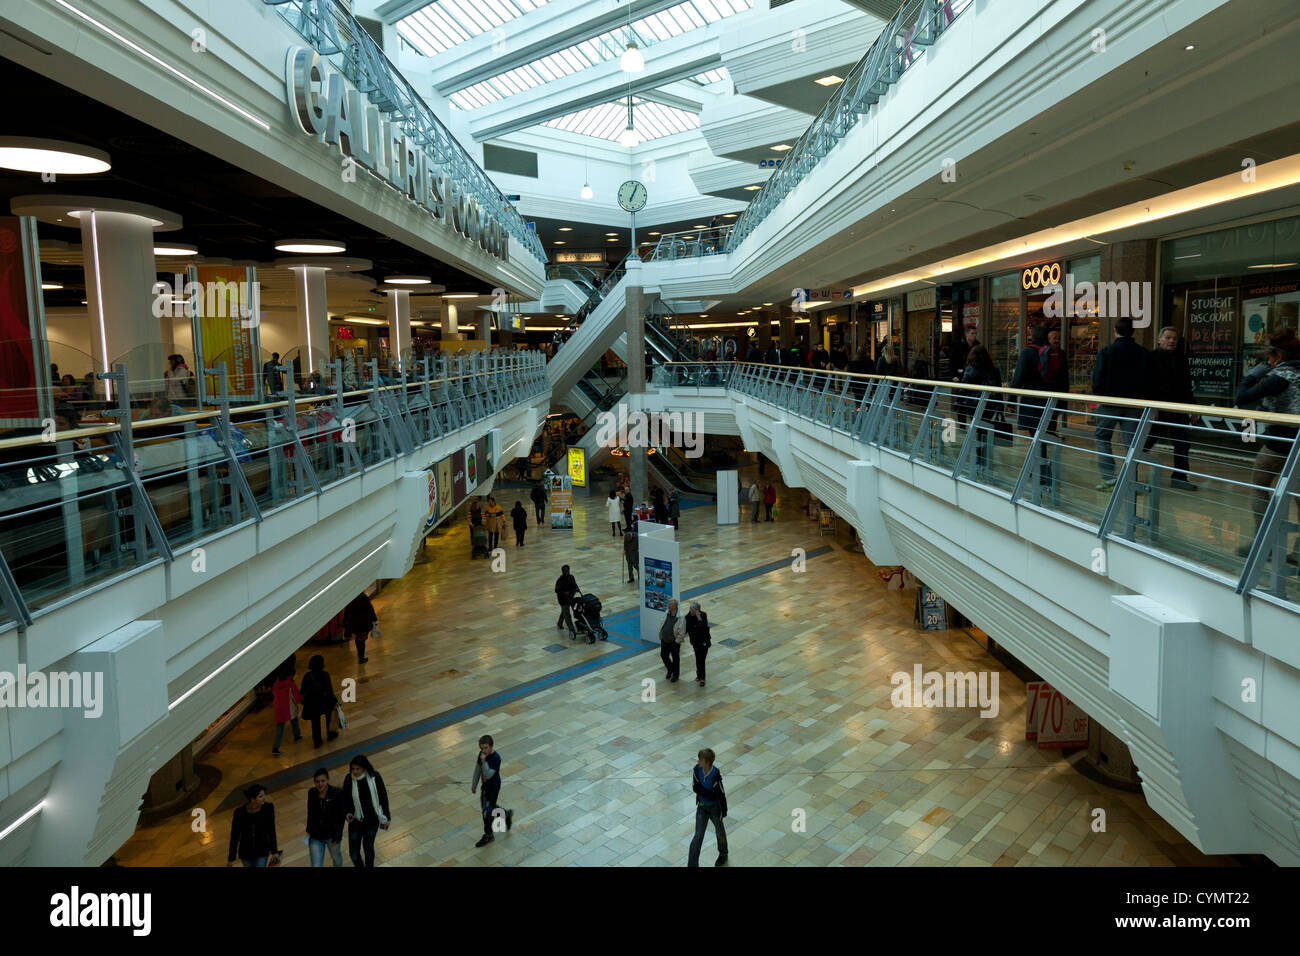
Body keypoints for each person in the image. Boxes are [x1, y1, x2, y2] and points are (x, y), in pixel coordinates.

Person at [1234, 327, 1300, 557]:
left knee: (1259, 486)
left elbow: (1241, 398)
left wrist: (1252, 376)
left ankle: (1265, 544)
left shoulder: (1281, 377)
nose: (1268, 362)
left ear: (1279, 356)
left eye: (1269, 357)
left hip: (1281, 441)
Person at [1091, 317, 1149, 490]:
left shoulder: (1107, 351)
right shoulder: (1143, 353)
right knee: (1131, 443)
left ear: (1115, 330)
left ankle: (1109, 476)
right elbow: (1148, 380)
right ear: (1133, 331)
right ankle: (1131, 481)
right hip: (1134, 405)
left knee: (1102, 436)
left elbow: (1098, 379)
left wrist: (1099, 396)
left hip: (1109, 402)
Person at [1142, 326, 1198, 491]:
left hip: (1178, 409)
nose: (1172, 340)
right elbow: (1146, 385)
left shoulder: (1181, 359)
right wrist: (1152, 406)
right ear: (1159, 339)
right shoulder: (1151, 358)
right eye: (1168, 337)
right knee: (1146, 442)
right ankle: (1129, 472)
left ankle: (1180, 477)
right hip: (1158, 410)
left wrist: (1193, 408)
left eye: (1174, 338)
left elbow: (1186, 387)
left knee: (1182, 443)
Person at [959, 345, 1002, 472]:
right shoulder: (993, 370)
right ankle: (985, 457)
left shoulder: (970, 369)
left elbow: (964, 388)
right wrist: (1000, 405)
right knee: (986, 429)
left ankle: (979, 458)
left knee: (977, 430)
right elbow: (998, 389)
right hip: (989, 405)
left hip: (973, 405)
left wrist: (960, 402)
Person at [342, 754, 390, 867]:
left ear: (364, 767)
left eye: (357, 769)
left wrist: (387, 816)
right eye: (353, 769)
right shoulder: (349, 779)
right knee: (353, 853)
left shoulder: (375, 776)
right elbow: (345, 799)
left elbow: (383, 797)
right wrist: (347, 813)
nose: (354, 771)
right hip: (355, 821)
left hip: (372, 821)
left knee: (368, 850)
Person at [471, 734, 514, 848]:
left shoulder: (496, 758)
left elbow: (488, 774)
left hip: (493, 787)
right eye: (481, 748)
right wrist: (474, 784)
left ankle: (489, 835)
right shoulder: (481, 755)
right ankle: (506, 814)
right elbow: (478, 769)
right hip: (485, 787)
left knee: (487, 812)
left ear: (491, 746)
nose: (483, 750)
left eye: (485, 748)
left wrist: (484, 761)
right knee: (489, 808)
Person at [687, 748, 728, 867]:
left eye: (700, 759)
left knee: (720, 832)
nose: (698, 761)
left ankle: (723, 854)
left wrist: (723, 811)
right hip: (702, 807)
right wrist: (708, 794)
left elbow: (720, 793)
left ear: (707, 762)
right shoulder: (696, 770)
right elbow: (695, 787)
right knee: (698, 836)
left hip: (715, 809)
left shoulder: (715, 774)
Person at [228, 784, 279, 867]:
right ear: (252, 799)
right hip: (245, 853)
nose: (264, 798)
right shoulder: (239, 813)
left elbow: (271, 830)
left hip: (262, 851)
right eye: (260, 796)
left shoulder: (268, 808)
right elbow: (235, 836)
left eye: (264, 795)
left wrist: (274, 851)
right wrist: (231, 859)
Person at [306, 768, 346, 867]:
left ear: (328, 780)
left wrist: (337, 837)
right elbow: (310, 813)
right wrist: (309, 830)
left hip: (332, 836)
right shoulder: (312, 793)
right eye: (317, 781)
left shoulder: (336, 793)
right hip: (316, 836)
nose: (320, 784)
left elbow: (341, 817)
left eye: (323, 781)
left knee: (336, 860)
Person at [300, 654, 339, 748]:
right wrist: (334, 700)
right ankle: (330, 735)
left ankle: (317, 741)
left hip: (313, 703)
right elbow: (329, 690)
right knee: (329, 718)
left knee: (315, 723)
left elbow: (302, 691)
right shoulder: (325, 674)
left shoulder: (307, 676)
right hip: (325, 702)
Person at [270, 659, 303, 756]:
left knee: (280, 727)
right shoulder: (290, 685)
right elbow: (296, 698)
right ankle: (297, 736)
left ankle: (276, 747)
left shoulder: (276, 685)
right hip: (289, 708)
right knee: (294, 721)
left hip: (278, 709)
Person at [343, 591, 378, 664]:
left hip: (355, 623)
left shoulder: (350, 597)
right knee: (362, 639)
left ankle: (361, 656)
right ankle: (361, 657)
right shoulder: (363, 597)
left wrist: (345, 624)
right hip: (364, 622)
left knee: (359, 639)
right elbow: (370, 609)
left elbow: (347, 611)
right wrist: (374, 619)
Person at [685, 601, 712, 686]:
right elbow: (686, 629)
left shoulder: (703, 615)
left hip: (704, 642)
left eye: (693, 610)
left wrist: (699, 617)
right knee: (698, 658)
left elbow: (704, 627)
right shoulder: (688, 617)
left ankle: (702, 678)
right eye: (691, 610)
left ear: (698, 610)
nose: (691, 612)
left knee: (702, 660)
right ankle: (699, 675)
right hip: (695, 642)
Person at [660, 598, 684, 683]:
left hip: (674, 642)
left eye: (670, 604)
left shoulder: (680, 617)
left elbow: (682, 631)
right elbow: (663, 623)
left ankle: (675, 675)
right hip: (664, 640)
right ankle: (670, 669)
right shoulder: (667, 612)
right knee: (663, 655)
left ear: (674, 606)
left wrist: (677, 641)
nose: (668, 605)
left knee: (675, 659)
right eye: (668, 604)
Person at [555, 565, 578, 634]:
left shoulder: (571, 577)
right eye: (565, 571)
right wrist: (564, 593)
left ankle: (559, 623)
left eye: (567, 570)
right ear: (562, 571)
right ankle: (571, 628)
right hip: (563, 600)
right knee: (567, 613)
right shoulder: (560, 580)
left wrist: (576, 589)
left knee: (564, 612)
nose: (566, 572)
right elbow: (557, 590)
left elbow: (574, 585)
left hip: (570, 598)